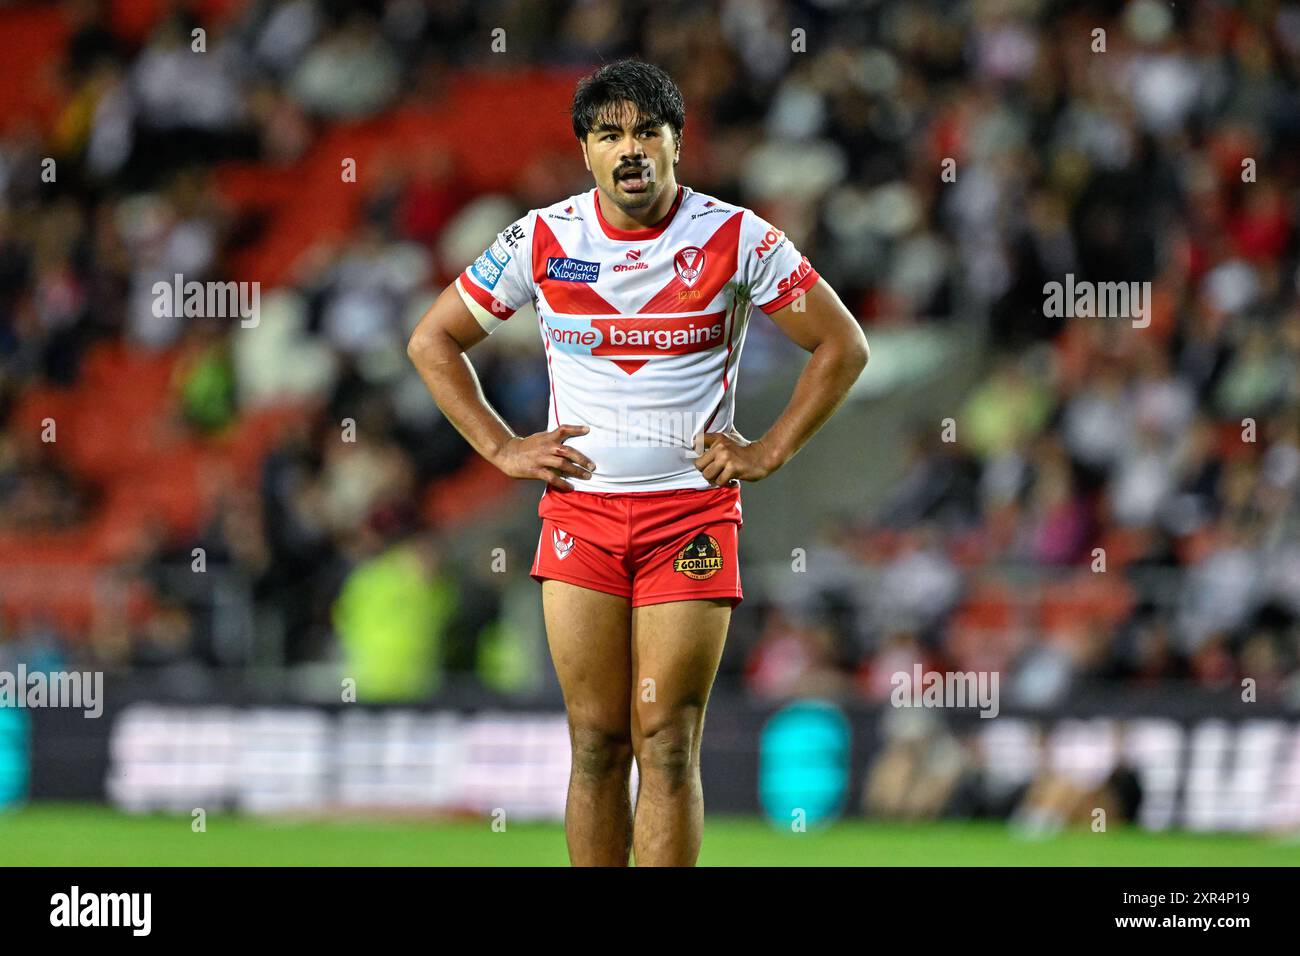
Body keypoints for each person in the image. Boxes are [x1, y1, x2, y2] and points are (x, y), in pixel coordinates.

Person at [407, 59, 868, 865]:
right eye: (609, 134)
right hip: (581, 517)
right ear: (584, 150)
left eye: (646, 133)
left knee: (664, 741)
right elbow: (432, 340)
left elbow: (842, 344)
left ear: (676, 143)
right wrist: (500, 446)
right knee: (594, 741)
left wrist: (769, 450)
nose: (630, 151)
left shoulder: (735, 237)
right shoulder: (544, 237)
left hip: (689, 516)